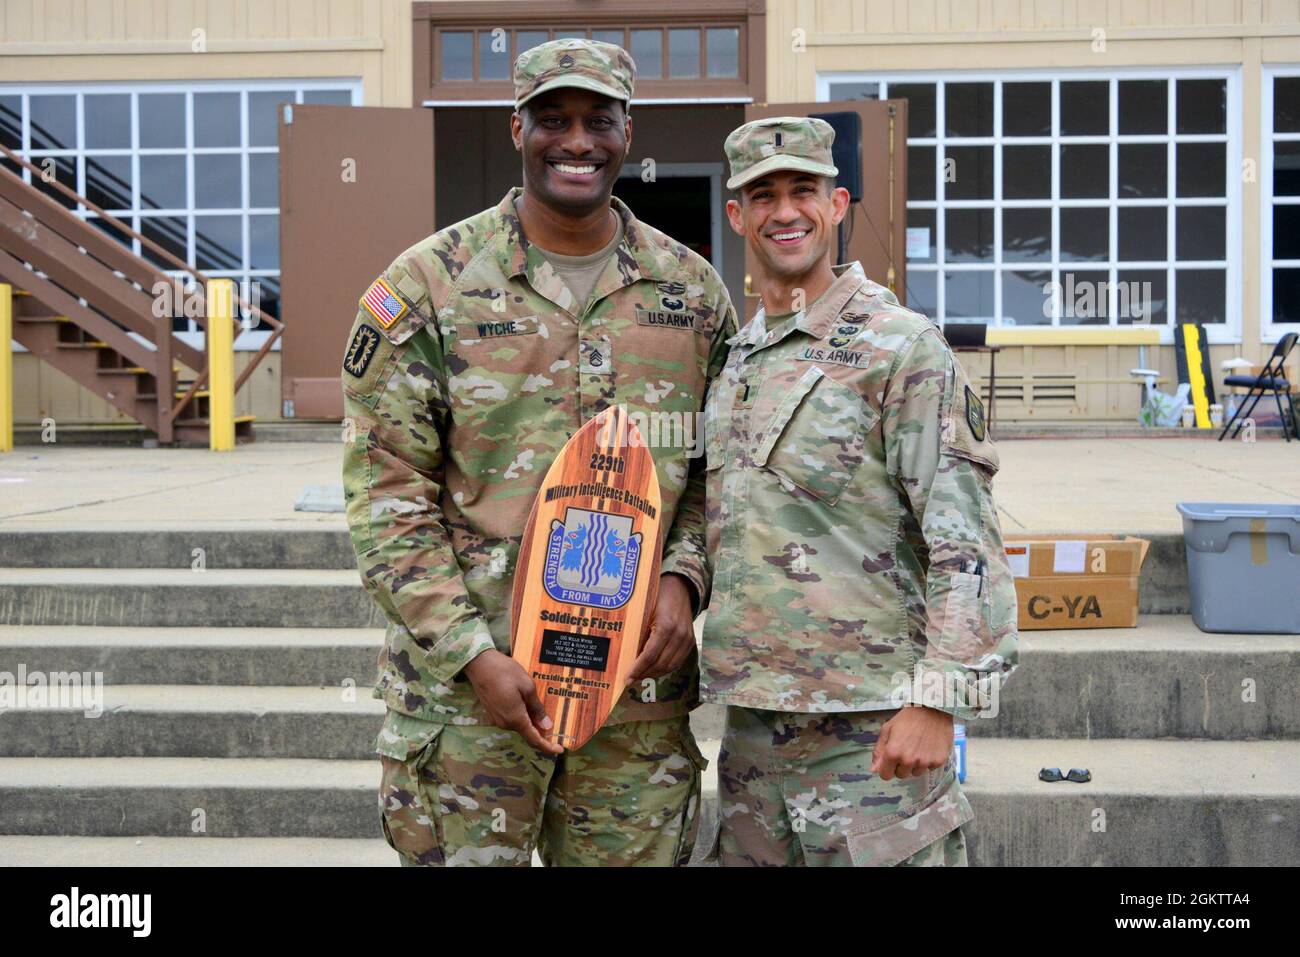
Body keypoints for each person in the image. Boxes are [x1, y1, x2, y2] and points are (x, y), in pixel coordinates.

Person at [341, 38, 736, 866]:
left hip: (635, 697)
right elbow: (387, 496)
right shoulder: (429, 286)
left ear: (629, 131)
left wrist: (685, 575)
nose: (578, 141)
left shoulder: (690, 293)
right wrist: (470, 652)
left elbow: (718, 472)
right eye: (554, 119)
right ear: (516, 126)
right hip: (470, 706)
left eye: (599, 119)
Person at [700, 116, 1019, 866]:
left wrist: (939, 699)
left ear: (837, 205)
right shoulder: (737, 361)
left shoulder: (899, 345)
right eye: (763, 194)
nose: (785, 211)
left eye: (803, 190)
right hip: (753, 731)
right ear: (738, 214)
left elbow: (965, 538)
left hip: (873, 737)